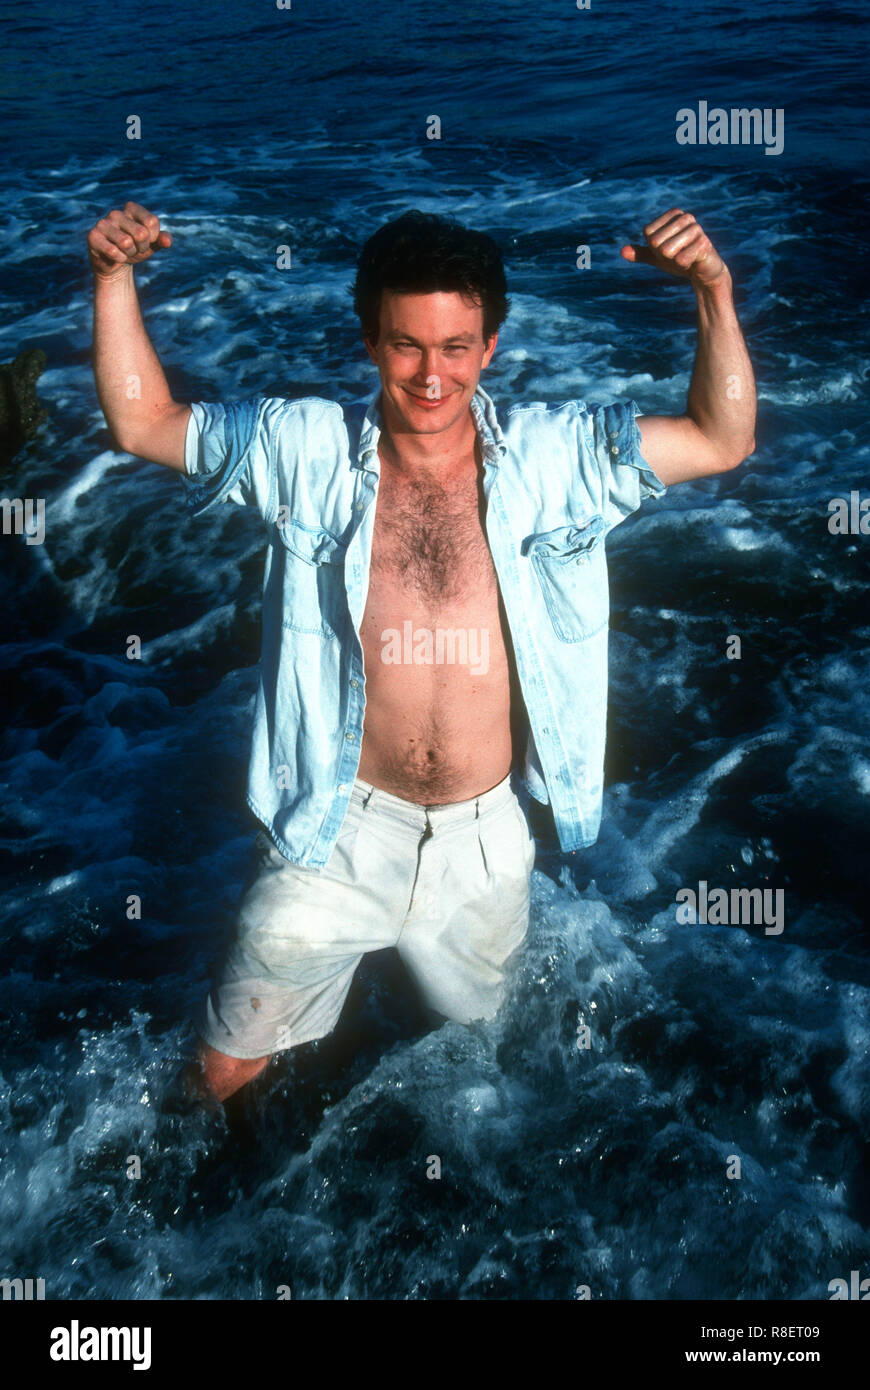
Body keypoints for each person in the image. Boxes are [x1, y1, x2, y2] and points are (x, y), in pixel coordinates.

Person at [87, 201, 756, 1103]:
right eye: (407, 345)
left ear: (490, 347)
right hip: (334, 829)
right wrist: (112, 278)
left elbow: (723, 438)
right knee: (224, 1069)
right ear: (370, 342)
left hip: (483, 842)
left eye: (455, 347)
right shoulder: (304, 449)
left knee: (476, 1075)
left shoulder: (559, 459)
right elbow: (142, 423)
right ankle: (244, 1211)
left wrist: (713, 291)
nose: (432, 375)